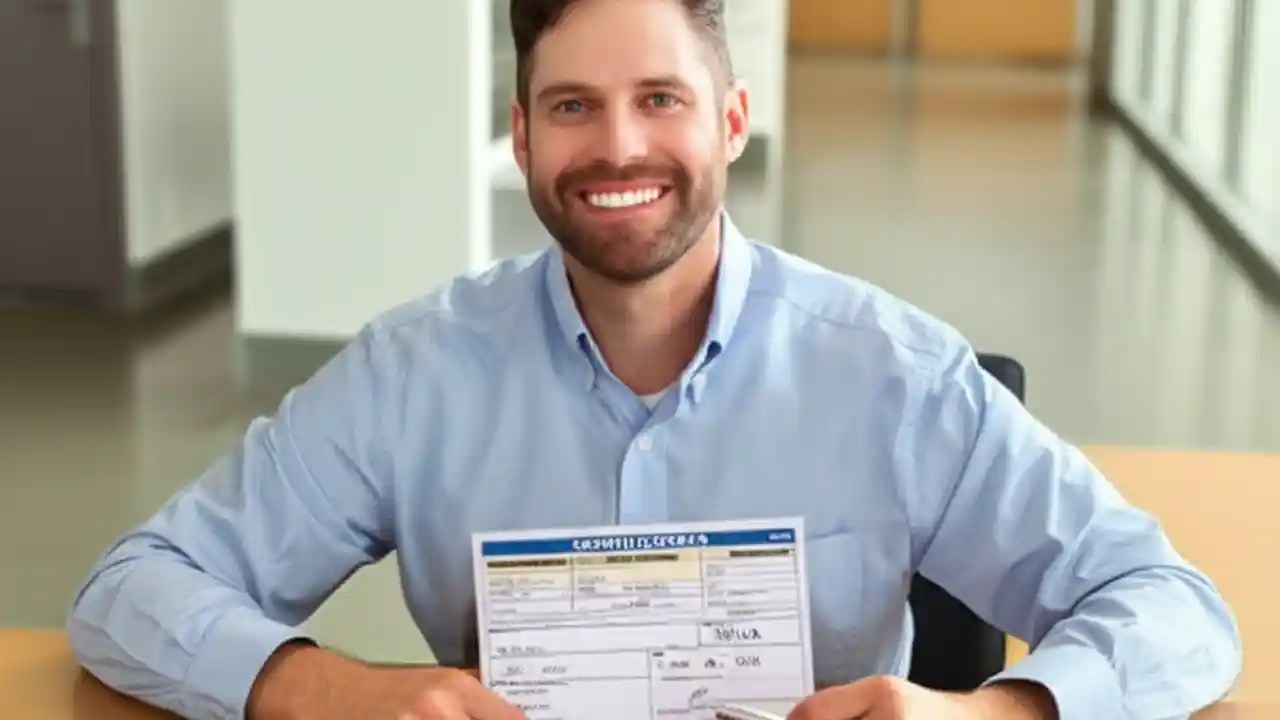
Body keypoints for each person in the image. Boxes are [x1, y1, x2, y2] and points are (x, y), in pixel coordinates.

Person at [68, 0, 1241, 718]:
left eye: (659, 98)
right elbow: (130, 592)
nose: (617, 144)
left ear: (729, 120)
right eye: (572, 107)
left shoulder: (893, 377)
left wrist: (996, 714)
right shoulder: (409, 376)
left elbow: (1172, 610)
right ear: (521, 135)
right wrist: (320, 689)